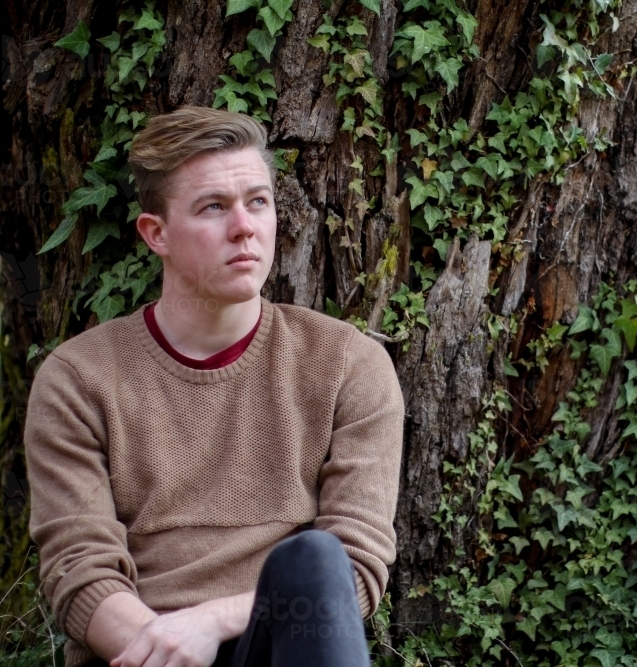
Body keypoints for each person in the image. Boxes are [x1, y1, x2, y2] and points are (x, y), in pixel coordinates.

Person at [25, 106, 405, 667]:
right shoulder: (80, 378)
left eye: (258, 201)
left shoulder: (348, 364)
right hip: (142, 652)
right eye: (213, 207)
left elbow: (354, 572)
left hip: (291, 650)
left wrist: (214, 620)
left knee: (317, 562)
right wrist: (171, 648)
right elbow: (80, 573)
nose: (244, 226)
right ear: (156, 234)